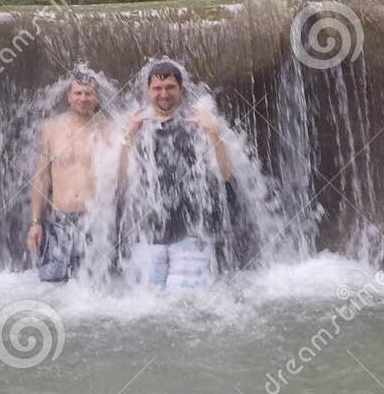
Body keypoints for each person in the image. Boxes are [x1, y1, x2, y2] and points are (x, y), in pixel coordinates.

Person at [118, 60, 232, 289]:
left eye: (170, 87)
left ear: (181, 89)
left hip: (192, 235)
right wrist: (127, 137)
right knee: (148, 312)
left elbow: (225, 174)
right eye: (157, 88)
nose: (164, 94)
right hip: (148, 237)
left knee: (184, 310)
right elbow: (121, 183)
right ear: (148, 90)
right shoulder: (137, 125)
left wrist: (214, 131)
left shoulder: (199, 123)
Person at [27, 71, 109, 281]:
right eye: (78, 93)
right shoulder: (52, 128)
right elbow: (41, 178)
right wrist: (35, 222)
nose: (83, 98)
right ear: (69, 96)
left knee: (91, 288)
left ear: (96, 97)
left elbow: (120, 177)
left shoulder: (107, 129)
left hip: (94, 220)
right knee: (52, 285)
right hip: (58, 220)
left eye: (89, 94)